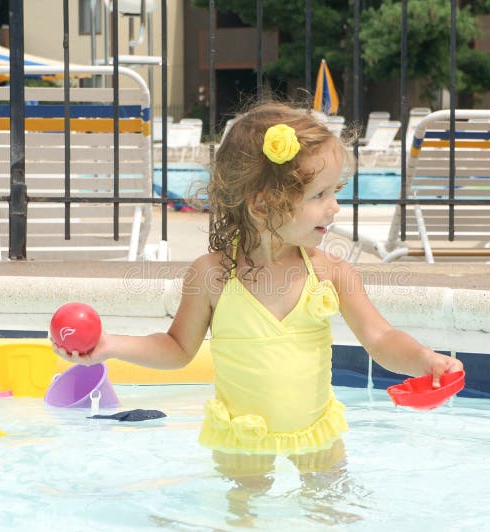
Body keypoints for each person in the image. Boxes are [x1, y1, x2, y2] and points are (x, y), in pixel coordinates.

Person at [51, 101, 462, 520]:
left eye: (334, 192)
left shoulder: (333, 273)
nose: (334, 207)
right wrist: (110, 344)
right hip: (242, 439)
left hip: (317, 435)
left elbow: (381, 338)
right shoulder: (212, 275)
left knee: (334, 513)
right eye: (319, 195)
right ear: (262, 205)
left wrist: (422, 359)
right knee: (239, 518)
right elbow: (177, 348)